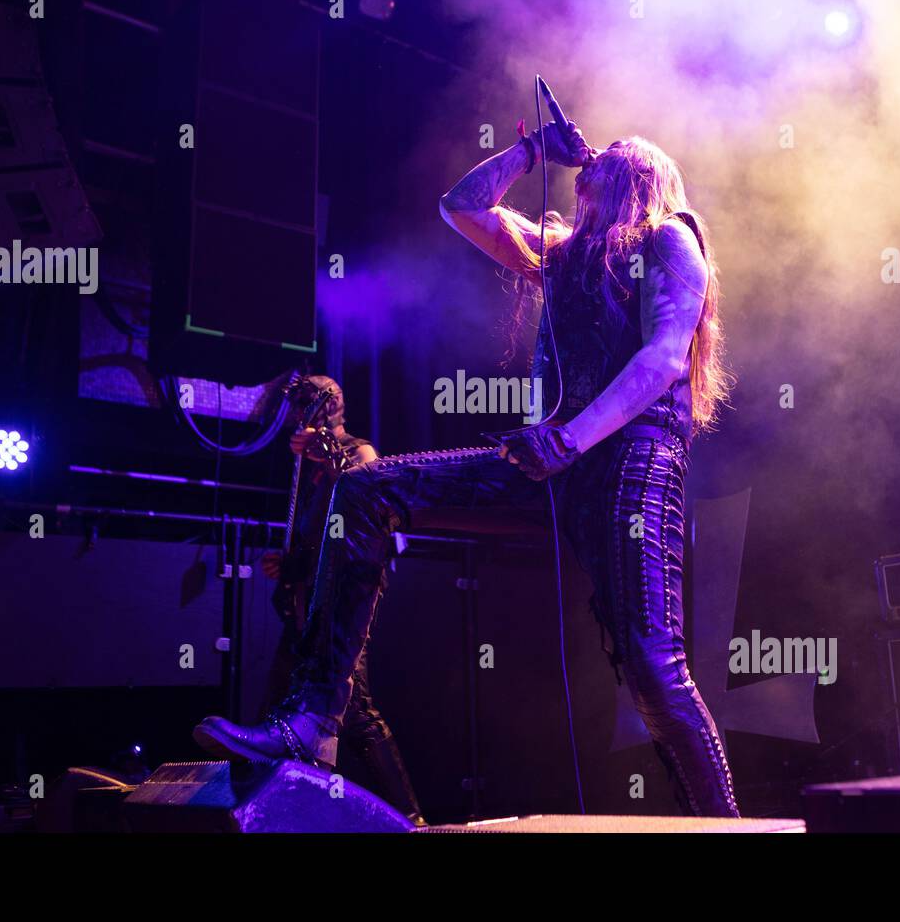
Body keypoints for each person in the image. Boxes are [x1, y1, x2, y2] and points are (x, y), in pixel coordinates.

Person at [194, 116, 738, 817]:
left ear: (643, 178)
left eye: (610, 156)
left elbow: (664, 357)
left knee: (651, 667)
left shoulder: (670, 237)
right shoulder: (566, 250)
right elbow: (462, 208)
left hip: (631, 460)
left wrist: (569, 441)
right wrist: (529, 150)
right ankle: (314, 724)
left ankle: (732, 827)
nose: (592, 161)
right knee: (365, 489)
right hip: (554, 462)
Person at [193, 375, 423, 824]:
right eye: (297, 405)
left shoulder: (358, 451)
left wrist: (328, 455)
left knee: (354, 709)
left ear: (331, 404)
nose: (299, 414)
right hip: (308, 605)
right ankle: (267, 816)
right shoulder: (306, 467)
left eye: (307, 403)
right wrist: (292, 566)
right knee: (279, 708)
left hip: (344, 603)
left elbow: (367, 502)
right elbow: (323, 538)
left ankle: (411, 819)